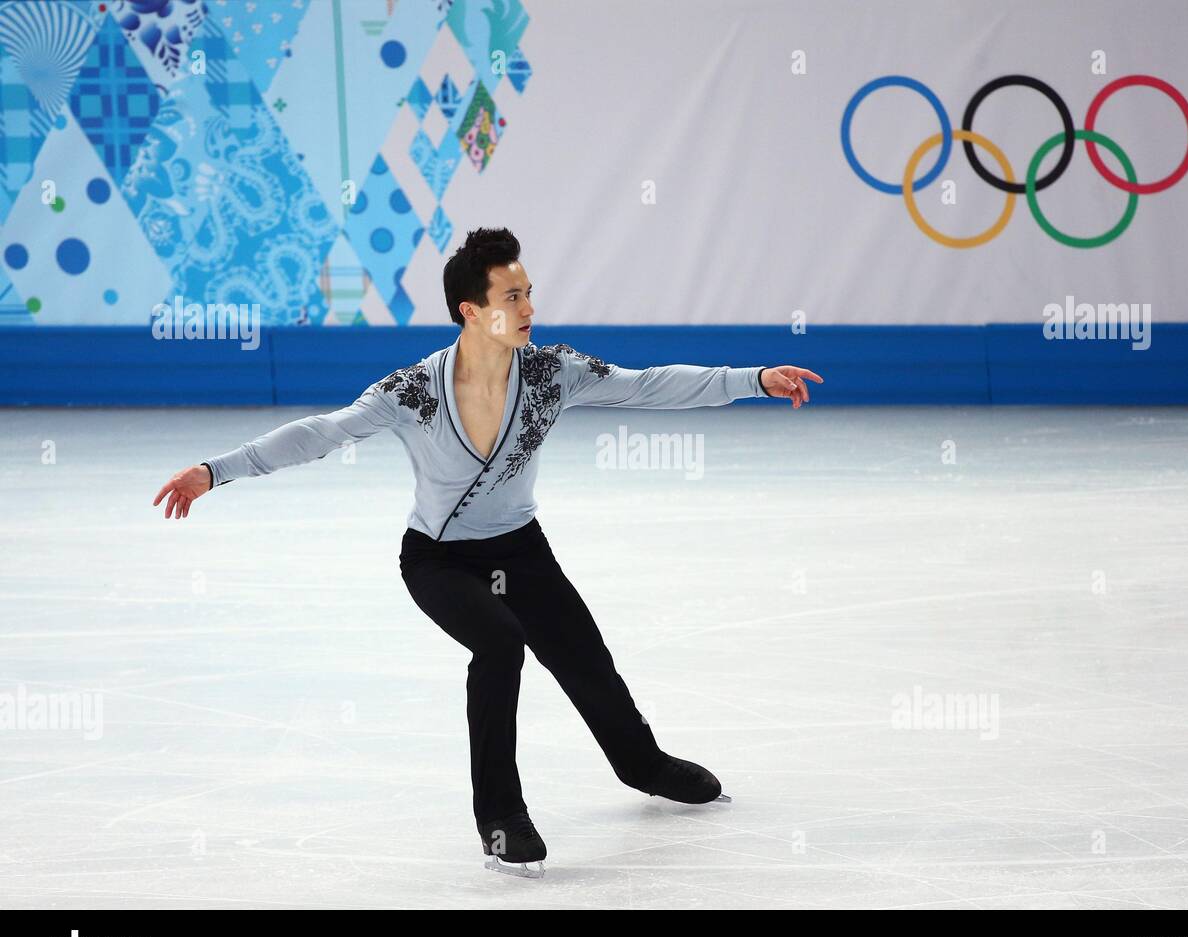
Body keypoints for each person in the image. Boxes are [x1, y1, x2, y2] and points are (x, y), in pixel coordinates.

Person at [153, 227, 824, 878]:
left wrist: (754, 378)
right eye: (512, 297)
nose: (529, 308)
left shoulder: (551, 372)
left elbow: (645, 384)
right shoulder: (414, 390)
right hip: (439, 560)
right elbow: (325, 433)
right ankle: (501, 818)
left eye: (529, 292)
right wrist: (216, 470)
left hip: (521, 550)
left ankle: (641, 763)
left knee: (587, 660)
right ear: (470, 310)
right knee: (499, 644)